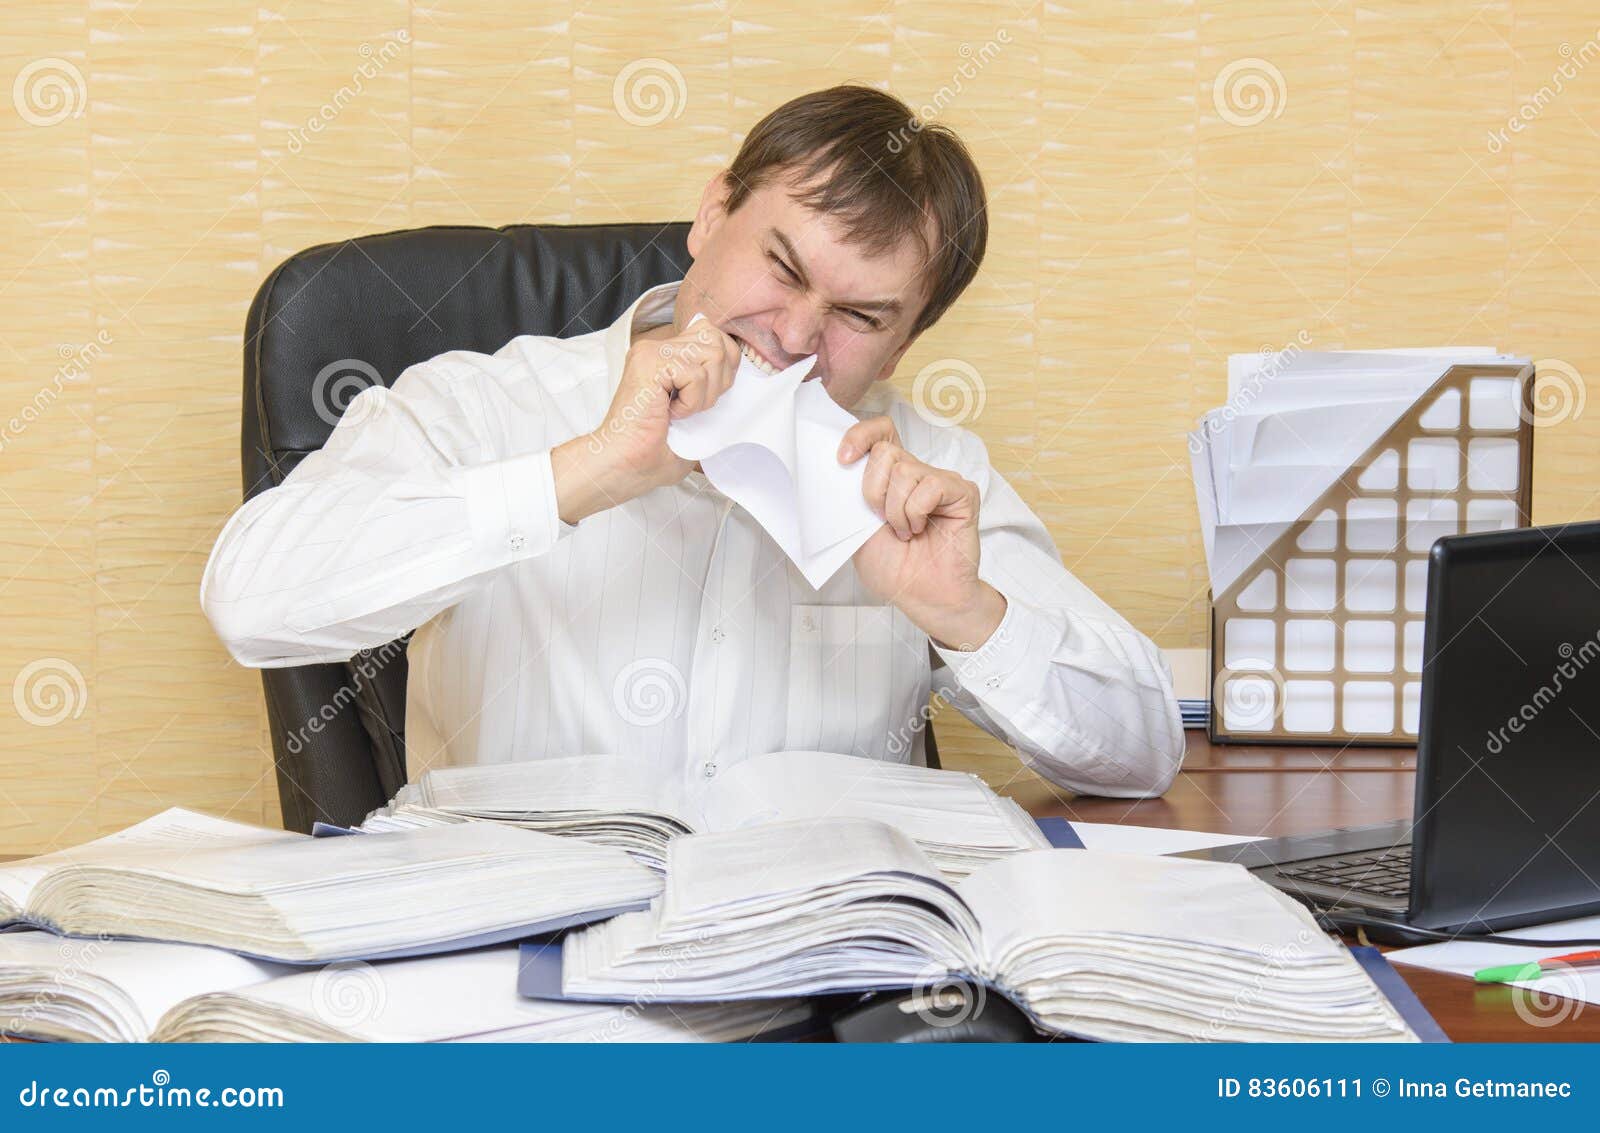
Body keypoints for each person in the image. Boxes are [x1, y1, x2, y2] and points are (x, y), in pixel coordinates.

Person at [201, 84, 1183, 799]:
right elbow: (250, 600)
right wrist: (583, 472)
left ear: (909, 338)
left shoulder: (926, 476)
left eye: (860, 316)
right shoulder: (485, 404)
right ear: (713, 212)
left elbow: (1142, 747)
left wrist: (964, 612)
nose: (795, 336)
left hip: (819, 997)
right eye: (782, 266)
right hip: (518, 989)